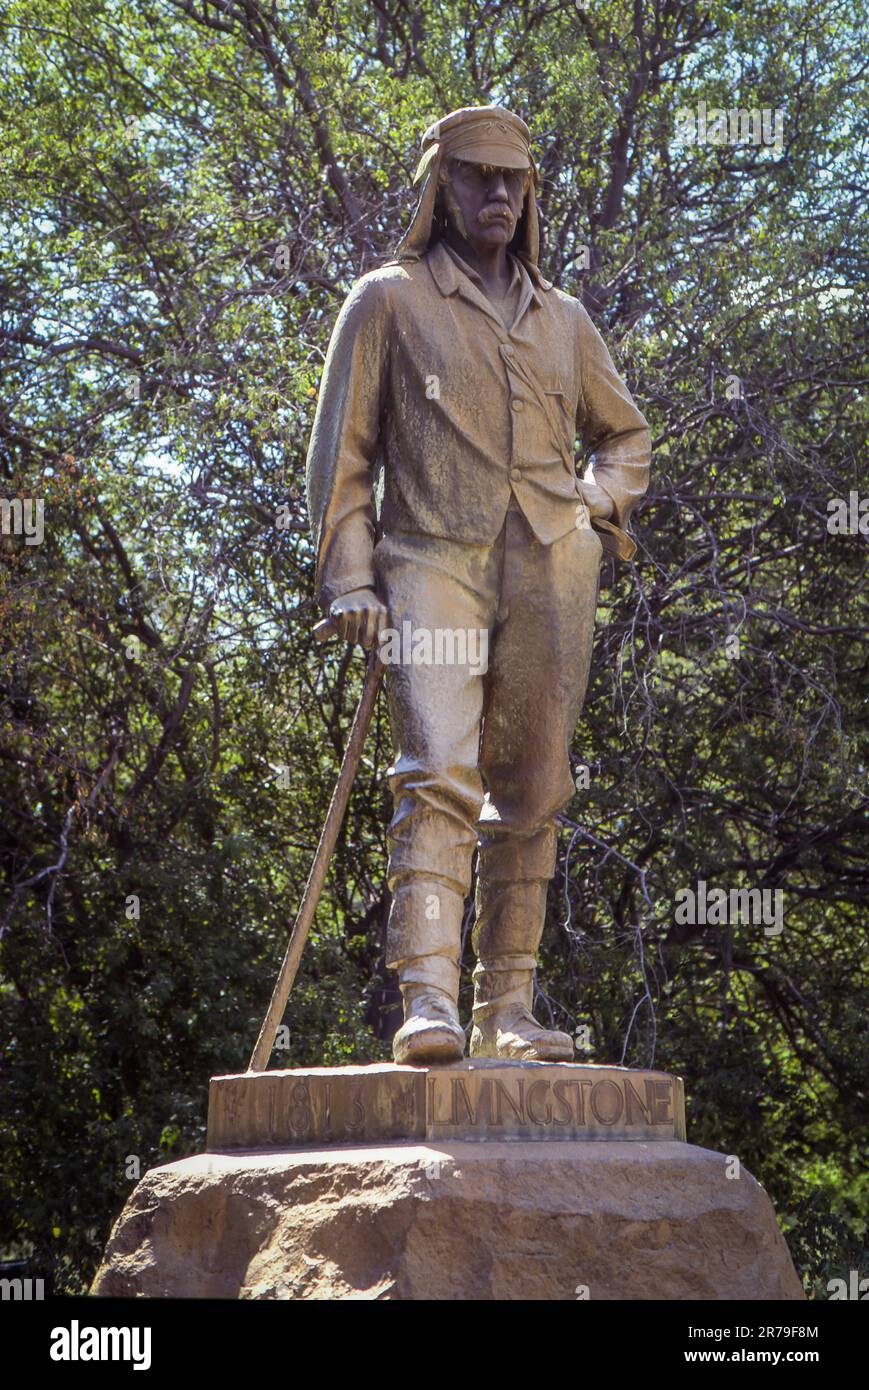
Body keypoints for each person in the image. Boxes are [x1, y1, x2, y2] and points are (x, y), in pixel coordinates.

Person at [305, 106, 650, 1065]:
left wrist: (594, 505)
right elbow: (344, 456)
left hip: (551, 563)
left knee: (535, 785)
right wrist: (350, 581)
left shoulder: (566, 321)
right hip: (428, 560)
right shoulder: (388, 301)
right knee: (439, 770)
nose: (496, 194)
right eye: (475, 177)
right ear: (439, 186)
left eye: (511, 180)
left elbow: (624, 435)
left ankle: (509, 1012)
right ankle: (427, 1000)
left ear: (529, 192)